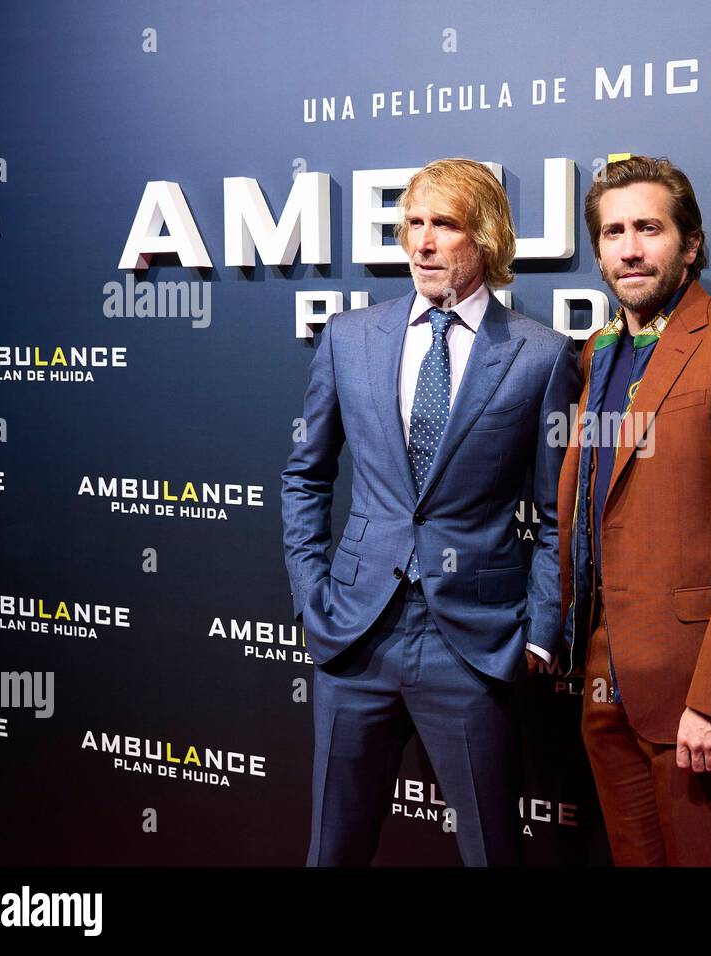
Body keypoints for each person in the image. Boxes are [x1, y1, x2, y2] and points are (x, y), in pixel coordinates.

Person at [281, 158, 580, 866]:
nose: (422, 243)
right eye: (413, 223)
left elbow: (556, 512)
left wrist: (538, 636)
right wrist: (309, 598)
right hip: (355, 634)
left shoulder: (541, 356)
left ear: (487, 237)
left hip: (472, 645)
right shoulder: (350, 338)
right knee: (333, 850)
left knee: (492, 852)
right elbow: (305, 477)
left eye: (443, 225)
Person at [558, 156, 711, 866]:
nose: (629, 248)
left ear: (690, 244)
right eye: (613, 232)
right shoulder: (599, 353)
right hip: (605, 683)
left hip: (696, 695)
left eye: (649, 228)